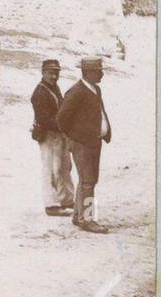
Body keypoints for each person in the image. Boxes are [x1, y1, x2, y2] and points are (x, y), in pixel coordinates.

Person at [56, 56, 113, 234]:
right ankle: (88, 219)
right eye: (99, 71)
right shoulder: (76, 91)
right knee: (88, 181)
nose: (102, 74)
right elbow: (61, 119)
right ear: (88, 72)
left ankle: (78, 216)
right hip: (83, 144)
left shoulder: (95, 89)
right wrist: (76, 139)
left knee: (88, 180)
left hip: (93, 142)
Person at [30, 58, 74, 216]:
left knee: (63, 168)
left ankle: (67, 200)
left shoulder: (53, 88)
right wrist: (65, 124)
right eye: (50, 73)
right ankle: (52, 205)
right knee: (51, 169)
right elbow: (44, 119)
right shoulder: (40, 92)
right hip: (48, 135)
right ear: (43, 73)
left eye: (56, 73)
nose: (54, 76)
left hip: (58, 134)